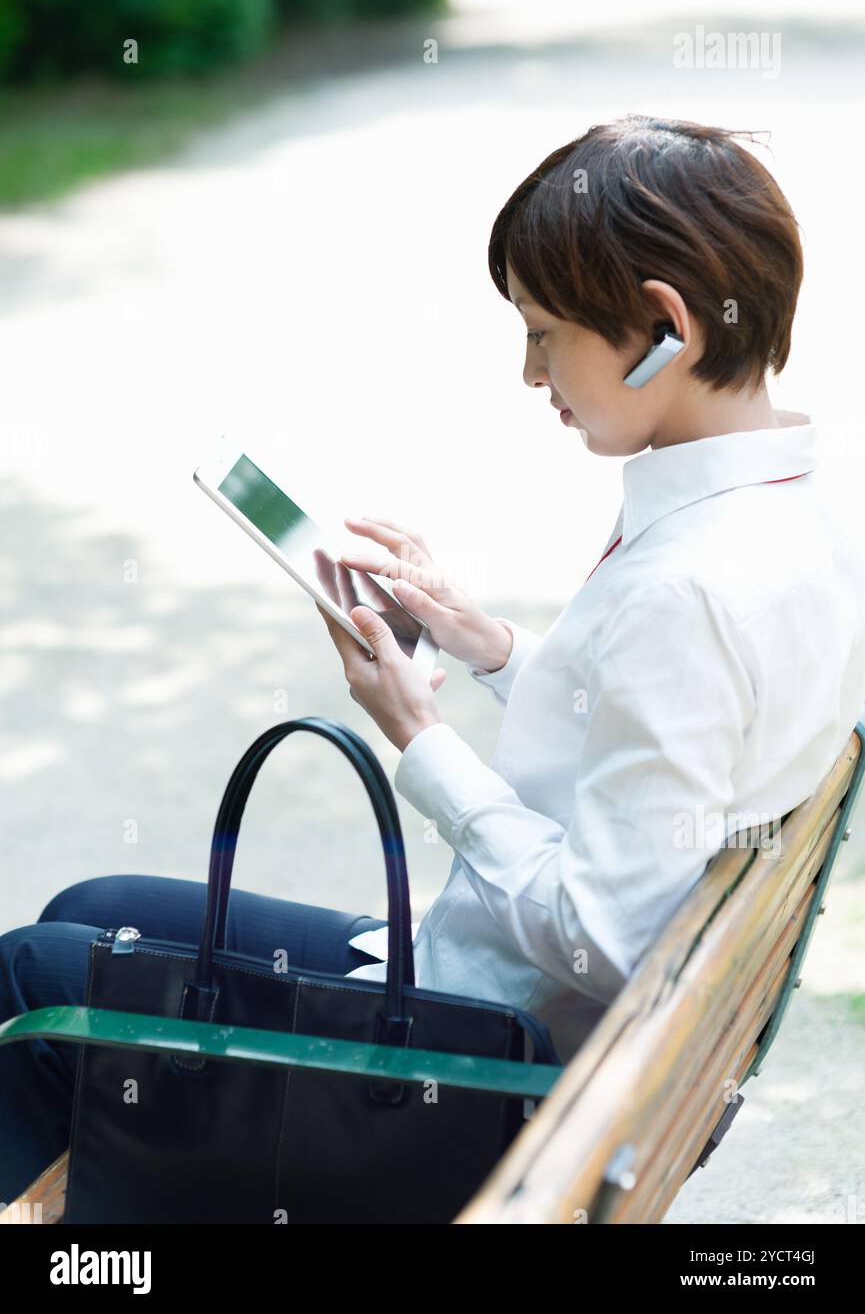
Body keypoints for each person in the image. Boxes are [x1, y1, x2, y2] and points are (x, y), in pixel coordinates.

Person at [2, 114, 864, 1205]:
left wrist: (421, 737)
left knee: (33, 976)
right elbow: (679, 717)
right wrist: (488, 643)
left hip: (478, 1071)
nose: (526, 369)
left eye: (544, 332)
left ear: (661, 327)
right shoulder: (790, 514)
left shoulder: (688, 583)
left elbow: (602, 936)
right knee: (96, 901)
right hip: (559, 1036)